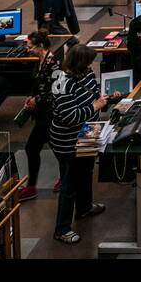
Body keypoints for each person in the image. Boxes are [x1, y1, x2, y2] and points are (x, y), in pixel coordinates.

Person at [49, 44, 108, 244]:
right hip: (69, 141)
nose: (92, 65)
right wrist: (96, 105)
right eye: (89, 61)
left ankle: (84, 208)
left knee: (86, 172)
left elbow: (94, 91)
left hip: (89, 131)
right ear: (80, 63)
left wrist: (104, 98)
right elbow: (69, 117)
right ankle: (62, 229)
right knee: (69, 184)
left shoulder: (87, 73)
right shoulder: (63, 84)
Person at [17, 29, 56, 202]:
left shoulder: (53, 64)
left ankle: (31, 186)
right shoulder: (40, 61)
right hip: (42, 113)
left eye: (30, 46)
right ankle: (66, 177)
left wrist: (37, 100)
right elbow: (39, 83)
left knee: (32, 148)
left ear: (40, 46)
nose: (28, 49)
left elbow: (57, 90)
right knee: (56, 147)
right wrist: (31, 97)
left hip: (49, 113)